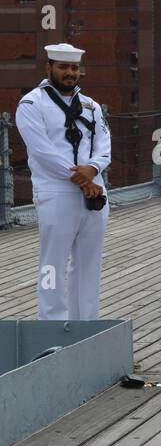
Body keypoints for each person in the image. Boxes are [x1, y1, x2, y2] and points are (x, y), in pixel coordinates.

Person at [16, 42, 111, 320]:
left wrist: (92, 169)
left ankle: (86, 324)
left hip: (94, 191)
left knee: (88, 264)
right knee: (52, 264)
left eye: (74, 67)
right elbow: (41, 150)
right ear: (49, 68)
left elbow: (104, 144)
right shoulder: (32, 104)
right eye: (63, 67)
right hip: (56, 192)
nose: (70, 72)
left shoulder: (91, 106)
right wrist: (80, 178)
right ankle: (51, 324)